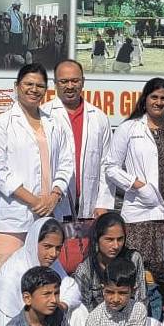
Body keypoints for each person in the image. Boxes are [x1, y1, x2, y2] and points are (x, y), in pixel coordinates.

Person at [106, 78, 164, 316]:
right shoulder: (129, 128)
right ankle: (142, 325)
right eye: (154, 97)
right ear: (145, 99)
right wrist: (137, 185)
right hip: (140, 213)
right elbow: (110, 167)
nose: (159, 102)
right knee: (143, 277)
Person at [0, 64, 74, 270]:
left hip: (49, 211)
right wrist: (35, 201)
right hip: (12, 216)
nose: (34, 89)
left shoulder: (54, 123)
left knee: (44, 276)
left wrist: (53, 196)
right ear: (17, 86)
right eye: (28, 84)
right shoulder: (1, 123)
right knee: (9, 276)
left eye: (40, 85)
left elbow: (66, 163)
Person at [43, 60, 114, 229]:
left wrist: (103, 203)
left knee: (86, 254)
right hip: (52, 205)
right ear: (55, 84)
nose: (70, 86)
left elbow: (107, 164)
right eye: (64, 81)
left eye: (75, 81)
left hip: (90, 207)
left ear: (83, 82)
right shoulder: (44, 115)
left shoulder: (98, 117)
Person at [72, 212, 147, 312]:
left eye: (120, 239)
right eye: (109, 240)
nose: (116, 246)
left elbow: (141, 300)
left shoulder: (133, 259)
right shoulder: (85, 270)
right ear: (97, 239)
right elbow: (83, 309)